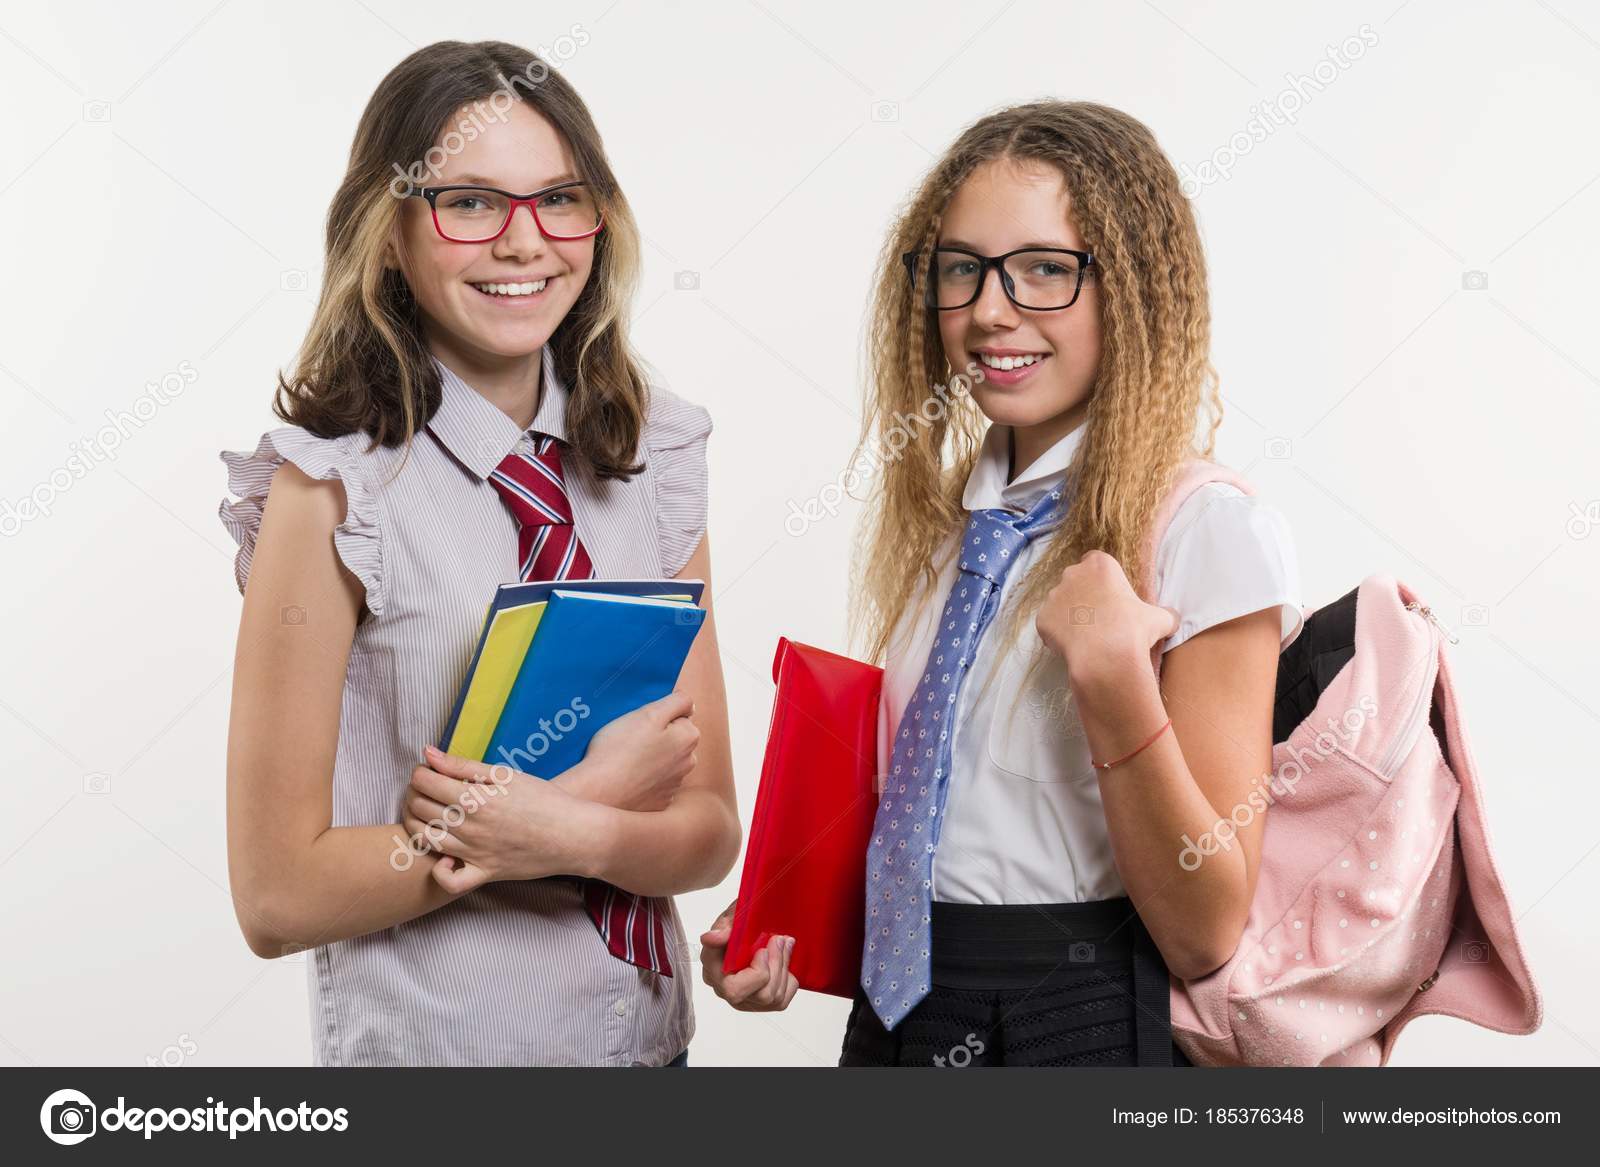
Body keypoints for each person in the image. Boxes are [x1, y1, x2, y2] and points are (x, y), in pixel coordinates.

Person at [701, 100, 1301, 1067]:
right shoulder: (950, 539)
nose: (989, 310)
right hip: (901, 1019)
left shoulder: (1205, 529)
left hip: (1081, 1011)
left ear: (1135, 290)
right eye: (961, 269)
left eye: (1045, 270)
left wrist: (1113, 678)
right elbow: (957, 831)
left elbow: (1207, 925)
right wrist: (789, 915)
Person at [218, 40, 737, 1067]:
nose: (524, 243)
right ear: (391, 232)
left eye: (559, 199)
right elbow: (276, 899)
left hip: (653, 1058)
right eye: (470, 204)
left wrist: (570, 831)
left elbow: (709, 828)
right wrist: (567, 807)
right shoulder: (329, 496)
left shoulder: (652, 459)